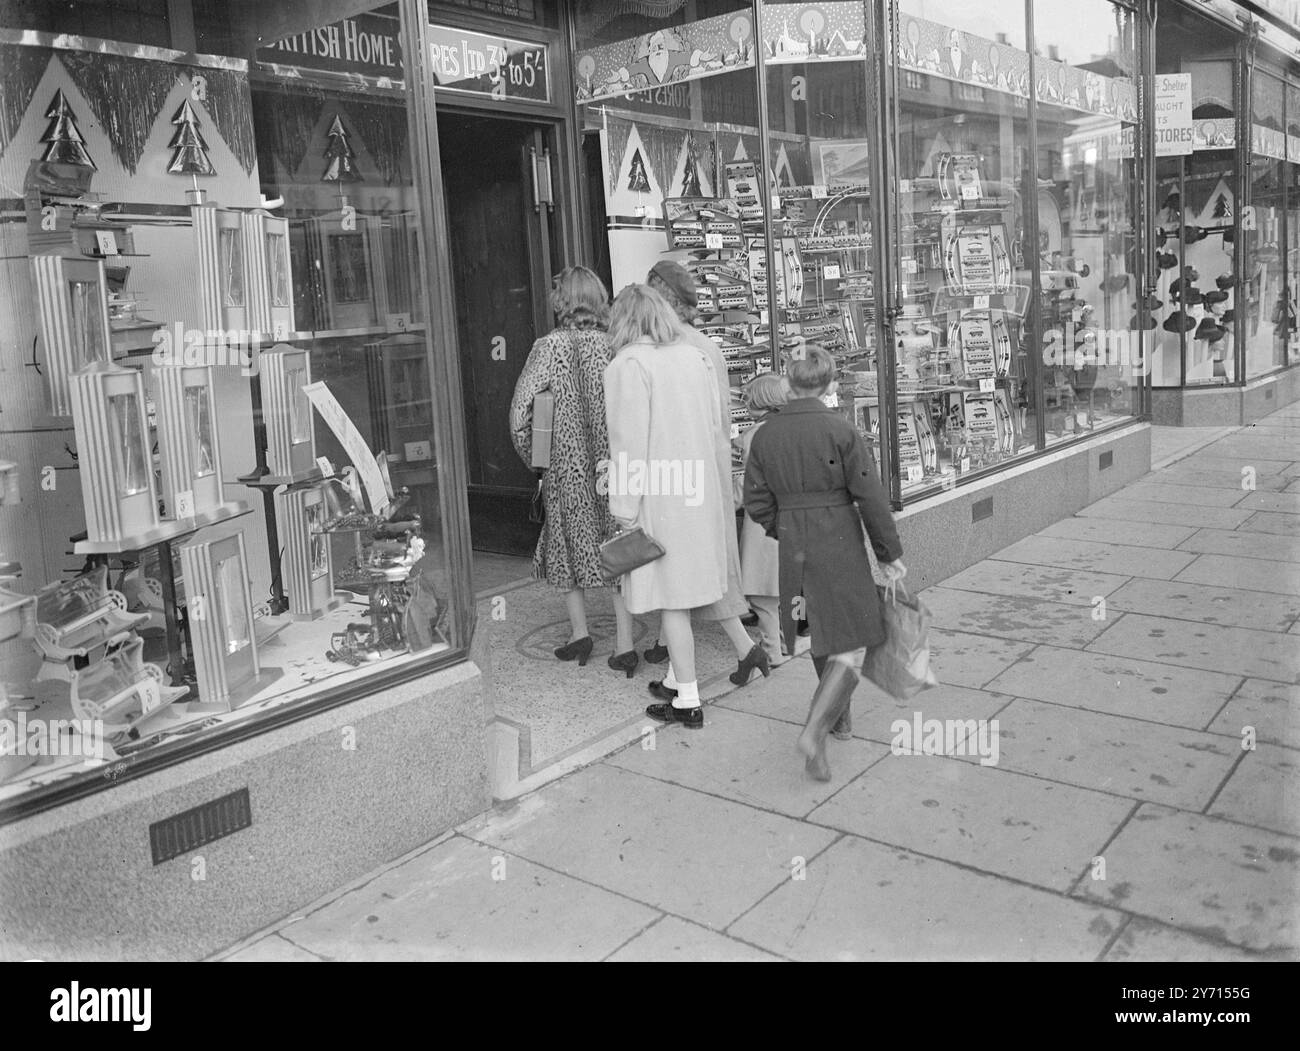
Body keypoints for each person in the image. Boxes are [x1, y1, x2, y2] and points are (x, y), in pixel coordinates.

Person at [743, 346, 907, 780]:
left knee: (815, 630)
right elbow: (870, 496)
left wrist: (786, 526)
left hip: (794, 544)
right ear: (832, 384)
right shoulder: (841, 429)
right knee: (854, 639)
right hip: (839, 538)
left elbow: (756, 501)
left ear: (788, 381)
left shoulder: (765, 436)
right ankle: (817, 727)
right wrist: (889, 554)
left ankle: (839, 719)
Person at [639, 259, 771, 689]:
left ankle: (685, 682)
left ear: (665, 300)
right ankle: (731, 655)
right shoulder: (702, 344)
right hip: (703, 470)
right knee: (695, 572)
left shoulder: (669, 346)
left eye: (651, 294)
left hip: (680, 475)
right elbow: (717, 420)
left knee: (680, 576)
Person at [604, 284, 730, 728]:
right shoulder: (693, 357)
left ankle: (688, 700)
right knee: (686, 590)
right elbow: (716, 427)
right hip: (699, 489)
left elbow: (627, 445)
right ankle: (678, 682)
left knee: (672, 600)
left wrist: (623, 507)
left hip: (660, 496)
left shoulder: (628, 365)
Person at [509, 265, 635, 674]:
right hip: (612, 465)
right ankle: (625, 645)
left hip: (567, 469)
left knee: (566, 546)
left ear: (561, 301)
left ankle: (580, 635)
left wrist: (536, 460)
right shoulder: (616, 345)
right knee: (616, 547)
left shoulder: (547, 348)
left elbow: (519, 415)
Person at [733, 372, 790, 671]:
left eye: (747, 397)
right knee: (778, 588)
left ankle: (772, 652)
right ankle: (784, 641)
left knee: (762, 595)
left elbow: (749, 482)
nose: (744, 402)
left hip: (763, 519)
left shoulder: (756, 435)